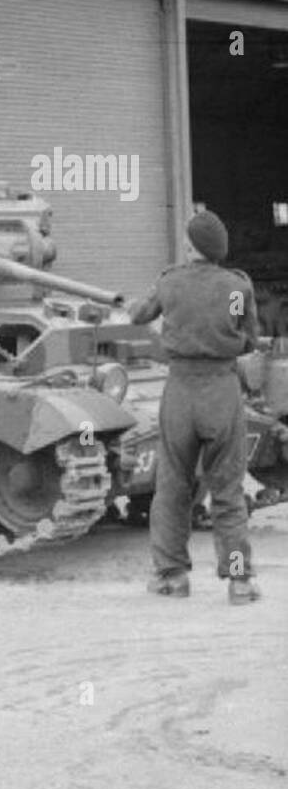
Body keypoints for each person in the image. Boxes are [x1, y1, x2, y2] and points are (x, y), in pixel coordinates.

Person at [128, 210, 261, 603]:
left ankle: (172, 577)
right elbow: (248, 337)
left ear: (191, 247)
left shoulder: (170, 283)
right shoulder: (237, 289)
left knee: (172, 486)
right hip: (222, 390)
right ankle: (238, 581)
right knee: (228, 490)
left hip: (180, 392)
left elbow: (138, 315)